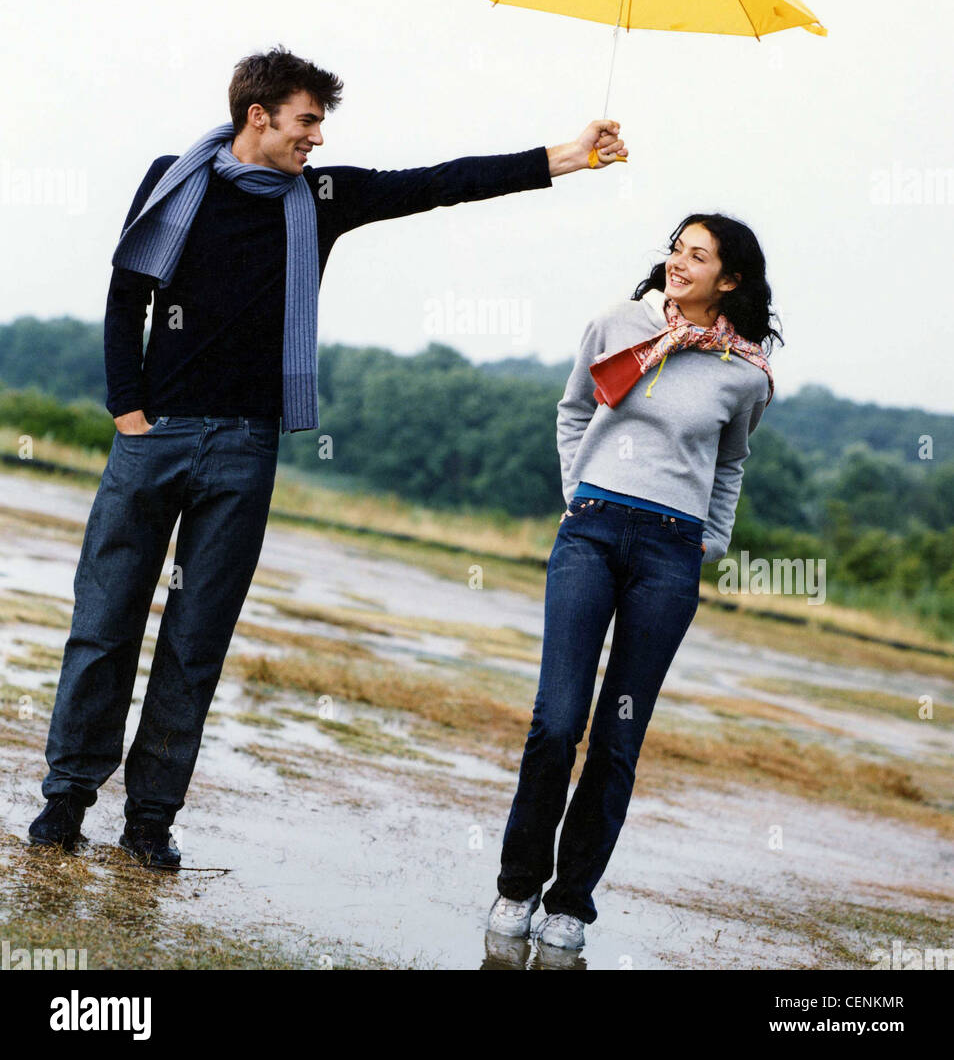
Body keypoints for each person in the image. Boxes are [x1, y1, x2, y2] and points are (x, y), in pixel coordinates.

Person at [27, 45, 627, 867]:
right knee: (104, 622)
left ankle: (149, 821)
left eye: (320, 125)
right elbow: (127, 290)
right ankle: (65, 799)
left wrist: (569, 155)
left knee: (196, 640)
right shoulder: (176, 178)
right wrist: (126, 407)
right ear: (258, 116)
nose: (316, 138)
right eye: (307, 121)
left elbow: (438, 181)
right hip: (153, 436)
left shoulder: (322, 196)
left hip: (245, 446)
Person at [488, 212, 780, 949]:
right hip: (590, 530)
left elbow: (731, 464)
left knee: (619, 735)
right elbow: (573, 410)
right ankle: (517, 886)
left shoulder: (744, 372)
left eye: (698, 256)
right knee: (557, 720)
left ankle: (569, 905)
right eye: (676, 250)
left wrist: (709, 542)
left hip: (670, 553)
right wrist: (576, 494)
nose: (678, 264)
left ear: (731, 278)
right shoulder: (617, 324)